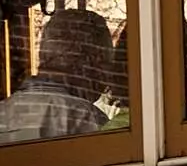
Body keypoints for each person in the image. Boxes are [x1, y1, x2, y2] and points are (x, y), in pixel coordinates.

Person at [0, 9, 117, 144]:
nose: (107, 78)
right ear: (89, 61)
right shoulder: (84, 118)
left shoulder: (3, 112)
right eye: (105, 63)